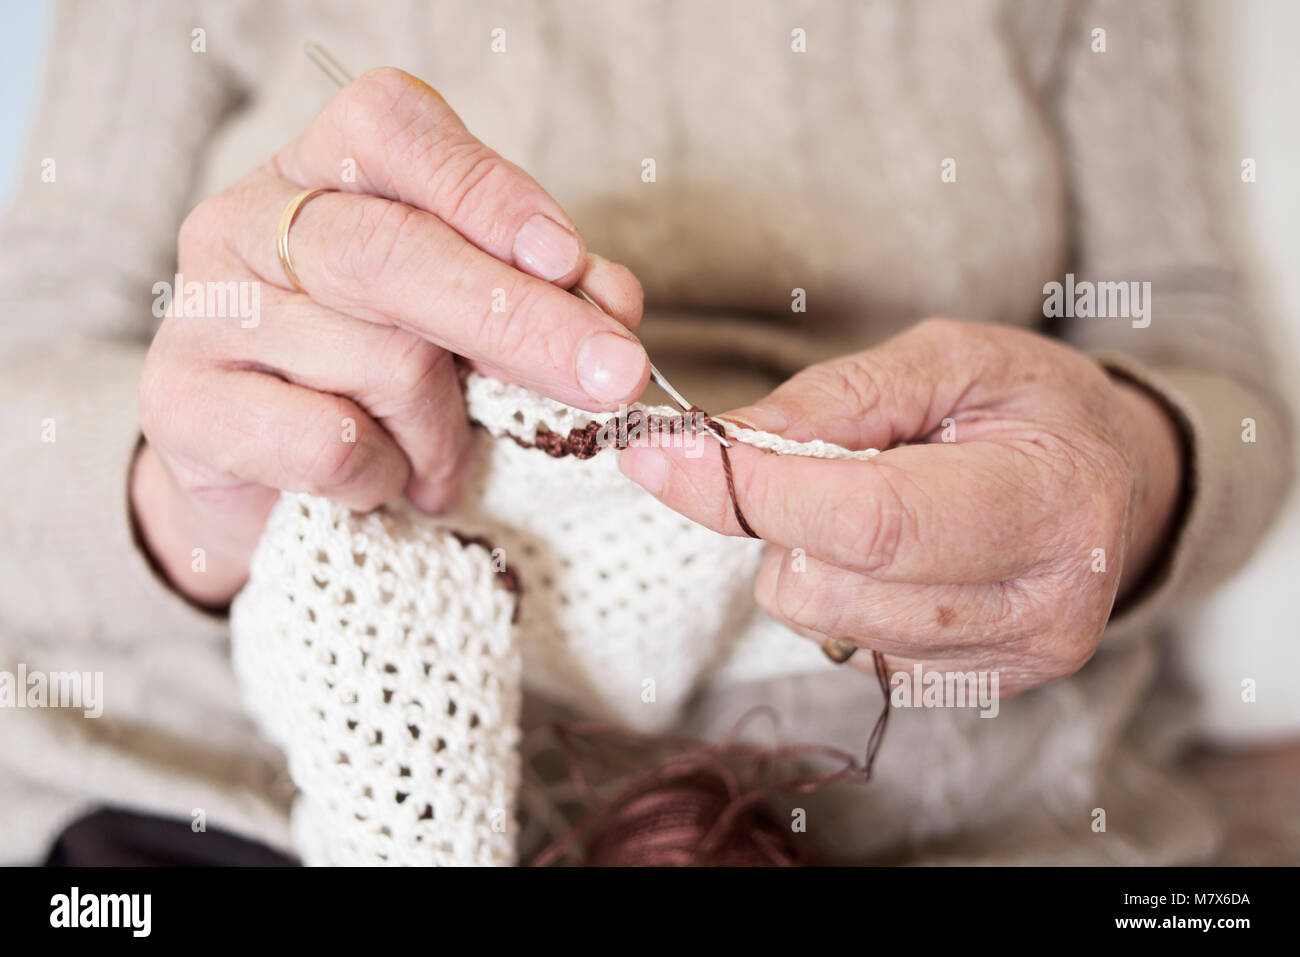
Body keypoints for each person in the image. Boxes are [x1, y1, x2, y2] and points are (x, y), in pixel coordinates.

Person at [0, 0, 1289, 865]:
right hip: (230, 805)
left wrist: (1129, 468)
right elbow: (30, 365)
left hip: (955, 816)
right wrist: (189, 501)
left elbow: (1202, 355)